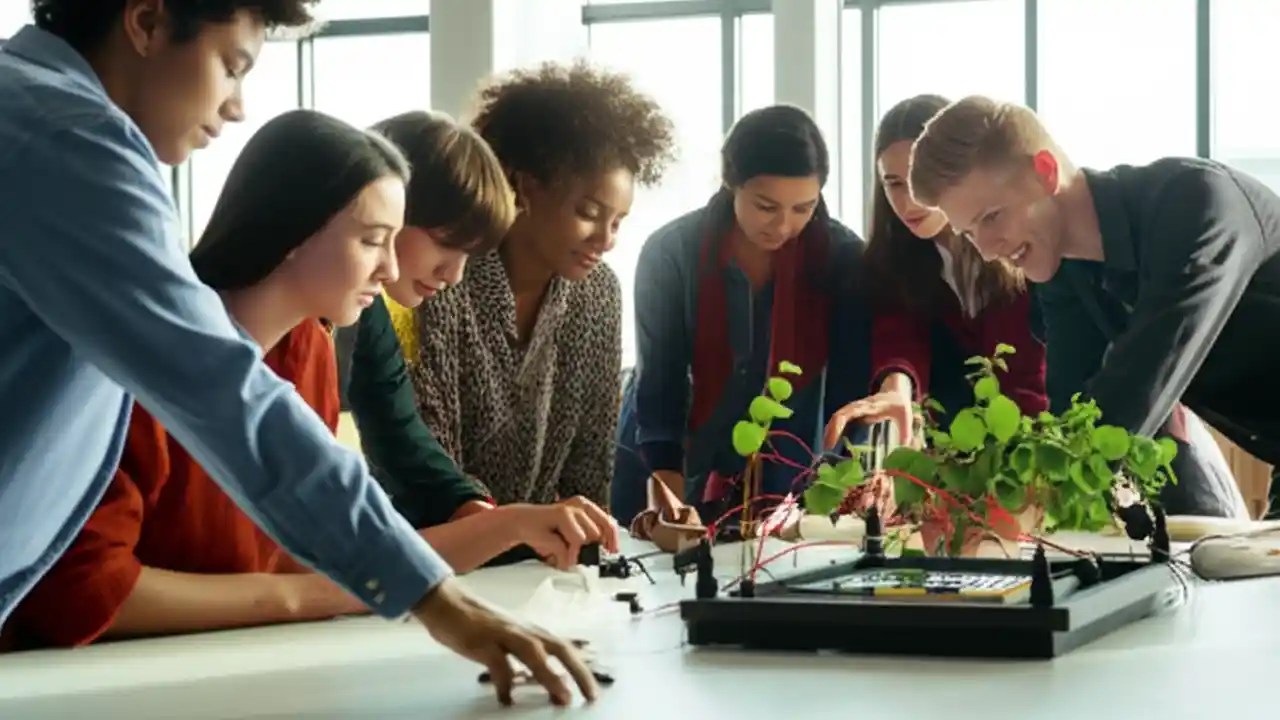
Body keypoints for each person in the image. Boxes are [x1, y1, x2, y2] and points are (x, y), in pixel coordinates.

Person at [0, 1, 592, 705]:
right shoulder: (70, 142)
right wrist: (436, 600)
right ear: (148, 21)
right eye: (232, 66)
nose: (237, 106)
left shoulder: (31, 114)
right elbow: (225, 394)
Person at [906, 94, 1257, 518]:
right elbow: (1073, 416)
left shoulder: (1196, 205)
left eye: (992, 217)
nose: (985, 249)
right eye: (968, 233)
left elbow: (1139, 384)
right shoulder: (1066, 277)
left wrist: (1023, 499)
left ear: (1046, 172)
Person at [336, 110, 618, 567]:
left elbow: (403, 439)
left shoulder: (369, 313)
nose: (454, 275)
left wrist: (493, 521)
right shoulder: (350, 309)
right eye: (447, 243)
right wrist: (502, 527)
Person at [401, 60, 676, 514]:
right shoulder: (441, 279)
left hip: (546, 562)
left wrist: (597, 545)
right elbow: (427, 459)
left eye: (618, 221)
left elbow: (589, 464)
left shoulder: (597, 293)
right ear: (526, 187)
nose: (605, 240)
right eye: (588, 212)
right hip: (437, 547)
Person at [612, 104, 872, 525]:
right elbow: (660, 382)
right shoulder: (671, 254)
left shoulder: (843, 260)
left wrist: (834, 493)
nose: (784, 226)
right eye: (766, 207)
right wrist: (668, 495)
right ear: (731, 183)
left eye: (804, 208)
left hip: (787, 480)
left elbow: (849, 395)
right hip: (662, 464)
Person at [822, 94, 1047, 451]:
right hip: (954, 462)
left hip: (1045, 453)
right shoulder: (890, 263)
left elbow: (1029, 381)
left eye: (916, 180)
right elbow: (899, 339)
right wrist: (897, 387)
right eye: (893, 183)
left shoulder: (1020, 244)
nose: (909, 201)